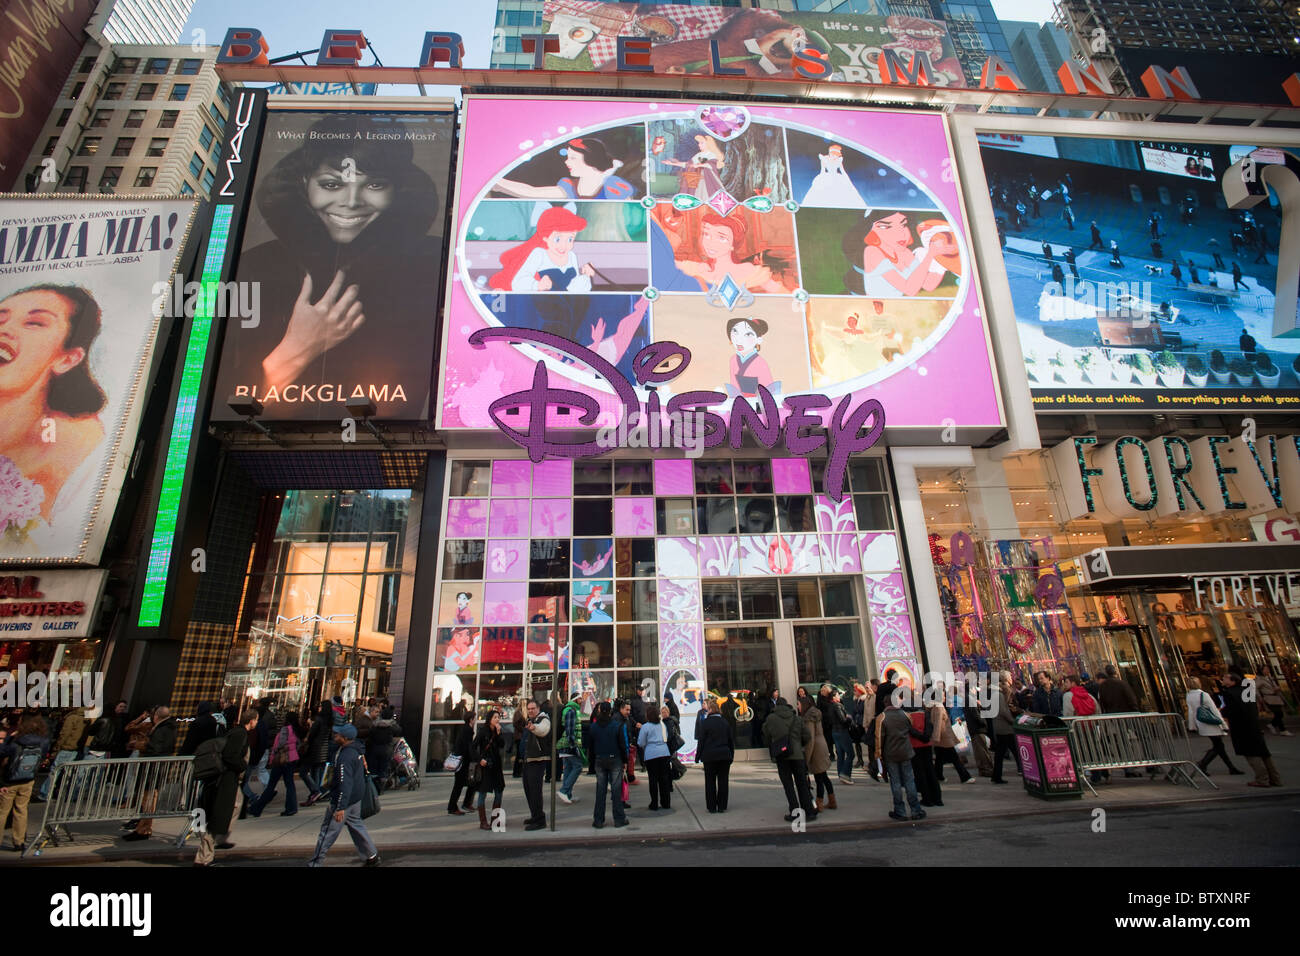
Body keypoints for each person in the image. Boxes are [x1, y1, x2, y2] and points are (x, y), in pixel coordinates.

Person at [212, 113, 443, 415]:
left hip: (396, 449)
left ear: (397, 190)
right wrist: (299, 347)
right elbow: (222, 412)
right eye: (332, 184)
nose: (351, 201)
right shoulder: (253, 268)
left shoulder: (434, 264)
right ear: (304, 183)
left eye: (374, 185)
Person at [0, 285, 109, 539]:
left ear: (67, 359)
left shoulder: (86, 453)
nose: (5, 329)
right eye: (1, 318)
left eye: (35, 323)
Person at [307, 724, 379, 867]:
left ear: (345, 738)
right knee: (356, 825)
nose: (335, 736)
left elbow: (344, 782)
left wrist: (340, 806)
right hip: (355, 797)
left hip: (344, 800)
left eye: (338, 735)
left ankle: (315, 863)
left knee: (328, 832)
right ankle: (371, 855)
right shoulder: (355, 751)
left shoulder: (345, 756)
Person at [194, 710, 258, 866]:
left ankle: (221, 838)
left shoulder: (235, 732)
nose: (257, 722)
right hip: (226, 782)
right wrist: (243, 766)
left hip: (229, 781)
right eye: (256, 720)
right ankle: (204, 858)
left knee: (236, 805)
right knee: (218, 818)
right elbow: (230, 756)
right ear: (251, 721)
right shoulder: (240, 734)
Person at [488, 207, 595, 293]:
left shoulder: (571, 256)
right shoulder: (539, 254)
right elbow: (517, 283)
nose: (564, 245)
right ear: (546, 238)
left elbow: (573, 288)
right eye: (558, 239)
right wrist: (537, 285)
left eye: (570, 239)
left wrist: (586, 276)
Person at [495, 136, 636, 200]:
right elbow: (530, 192)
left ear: (591, 159)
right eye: (568, 157)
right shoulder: (569, 188)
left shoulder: (615, 187)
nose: (567, 162)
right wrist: (497, 183)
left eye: (573, 158)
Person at [859, 210, 955, 297]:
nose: (901, 233)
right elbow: (910, 290)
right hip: (876, 309)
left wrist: (940, 260)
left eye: (903, 225)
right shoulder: (872, 252)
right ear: (872, 231)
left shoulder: (905, 253)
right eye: (885, 227)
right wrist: (930, 255)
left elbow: (928, 285)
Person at [122, 705, 177, 841]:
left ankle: (144, 829)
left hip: (153, 769)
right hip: (155, 768)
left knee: (149, 798)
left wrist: (139, 745)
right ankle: (142, 827)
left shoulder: (162, 729)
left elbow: (155, 748)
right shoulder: (169, 728)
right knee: (148, 798)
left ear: (156, 717)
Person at [1221, 671, 1282, 787]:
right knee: (1263, 752)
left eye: (1225, 678)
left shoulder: (1230, 693)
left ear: (1232, 681)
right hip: (1253, 724)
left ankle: (1262, 779)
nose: (1223, 680)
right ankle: (1275, 778)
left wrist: (1223, 712)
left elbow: (1232, 709)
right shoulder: (1247, 691)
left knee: (1251, 753)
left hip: (1241, 726)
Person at [0, 715, 50, 853]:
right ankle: (19, 842)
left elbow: (2, 751)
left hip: (10, 781)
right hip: (28, 780)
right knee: (21, 810)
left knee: (3, 812)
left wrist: (9, 738)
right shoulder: (43, 742)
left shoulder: (17, 742)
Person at [762, 696, 816, 822]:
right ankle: (809, 811)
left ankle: (795, 811)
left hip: (782, 755)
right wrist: (798, 744)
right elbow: (807, 736)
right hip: (797, 755)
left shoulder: (771, 718)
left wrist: (774, 742)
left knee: (788, 785)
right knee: (802, 783)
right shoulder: (797, 718)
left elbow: (766, 734)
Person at [877, 694, 924, 821]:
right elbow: (910, 728)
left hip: (891, 753)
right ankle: (915, 809)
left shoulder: (882, 718)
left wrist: (878, 756)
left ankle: (900, 810)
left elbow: (879, 739)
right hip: (906, 751)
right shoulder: (905, 715)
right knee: (909, 780)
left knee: (896, 782)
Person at [249, 712, 303, 817]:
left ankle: (257, 808)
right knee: (289, 784)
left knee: (271, 785)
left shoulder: (285, 729)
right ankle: (291, 807)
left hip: (282, 759)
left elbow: (280, 744)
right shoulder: (296, 729)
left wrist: (273, 754)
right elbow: (298, 743)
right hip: (292, 759)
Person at [1185, 677, 1242, 776]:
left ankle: (1231, 767)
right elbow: (1214, 710)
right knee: (1218, 746)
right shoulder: (1204, 694)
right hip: (1211, 722)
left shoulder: (1189, 695)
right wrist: (1223, 724)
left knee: (1219, 746)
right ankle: (1203, 764)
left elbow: (1191, 711)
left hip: (1201, 722)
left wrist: (1192, 725)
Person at [588, 701, 629, 829]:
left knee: (601, 790)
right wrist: (625, 761)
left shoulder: (594, 726)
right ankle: (619, 818)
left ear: (600, 710)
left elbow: (590, 745)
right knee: (616, 790)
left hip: (600, 759)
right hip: (614, 758)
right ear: (610, 711)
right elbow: (622, 745)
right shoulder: (616, 726)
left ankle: (598, 819)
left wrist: (592, 761)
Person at [35, 706, 87, 802]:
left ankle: (45, 794)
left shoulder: (73, 717)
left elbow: (64, 734)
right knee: (69, 774)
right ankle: (62, 794)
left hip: (67, 748)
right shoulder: (88, 718)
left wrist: (56, 749)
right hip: (79, 750)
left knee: (55, 772)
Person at [694, 698, 734, 813]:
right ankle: (722, 805)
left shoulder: (705, 723)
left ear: (710, 710)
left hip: (709, 756)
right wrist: (731, 755)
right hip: (724, 755)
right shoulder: (725, 722)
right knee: (723, 781)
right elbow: (730, 740)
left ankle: (711, 806)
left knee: (710, 781)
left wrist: (698, 756)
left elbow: (701, 741)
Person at [801, 144, 867, 208]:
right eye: (834, 154)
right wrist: (821, 180)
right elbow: (822, 171)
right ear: (830, 153)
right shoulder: (824, 159)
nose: (835, 156)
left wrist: (847, 180)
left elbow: (843, 171)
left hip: (838, 178)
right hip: (827, 177)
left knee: (844, 193)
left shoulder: (838, 160)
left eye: (837, 155)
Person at [930, 684, 971, 784]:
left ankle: (938, 776)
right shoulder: (939, 708)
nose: (944, 697)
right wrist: (936, 737)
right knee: (955, 758)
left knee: (939, 759)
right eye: (943, 695)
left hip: (941, 738)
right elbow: (938, 723)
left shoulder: (935, 707)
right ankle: (965, 777)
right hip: (944, 737)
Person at [520, 699, 552, 831]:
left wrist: (534, 728)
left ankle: (539, 820)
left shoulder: (543, 719)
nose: (531, 711)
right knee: (528, 789)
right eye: (529, 709)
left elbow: (543, 730)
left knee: (535, 791)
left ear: (538, 709)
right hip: (529, 760)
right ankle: (535, 815)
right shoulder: (531, 720)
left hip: (538, 760)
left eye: (533, 708)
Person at [472, 709, 506, 831]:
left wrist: (499, 733)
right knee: (483, 793)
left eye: (498, 717)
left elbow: (502, 745)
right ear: (490, 719)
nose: (497, 719)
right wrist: (479, 759)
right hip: (485, 766)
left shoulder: (497, 731)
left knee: (499, 791)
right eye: (495, 717)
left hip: (496, 766)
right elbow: (473, 747)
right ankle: (483, 821)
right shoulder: (483, 732)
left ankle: (495, 819)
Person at [801, 699, 835, 811]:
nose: (798, 706)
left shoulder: (808, 718)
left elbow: (810, 739)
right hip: (822, 745)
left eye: (799, 704)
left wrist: (806, 758)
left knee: (819, 777)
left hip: (816, 749)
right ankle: (832, 800)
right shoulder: (816, 714)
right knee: (824, 776)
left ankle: (819, 803)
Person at [638, 706, 672, 811]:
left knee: (653, 780)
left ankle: (654, 803)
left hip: (651, 754)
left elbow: (641, 742)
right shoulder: (662, 725)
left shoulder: (645, 727)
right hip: (664, 752)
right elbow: (666, 737)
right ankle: (666, 802)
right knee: (664, 779)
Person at [990, 673, 1020, 785]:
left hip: (1000, 727)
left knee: (1000, 753)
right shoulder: (999, 694)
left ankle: (996, 775)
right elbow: (1003, 711)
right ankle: (1022, 769)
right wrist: (1013, 721)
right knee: (1014, 750)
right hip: (1004, 727)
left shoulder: (997, 694)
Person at [300, 700, 331, 807]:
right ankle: (314, 795)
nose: (319, 708)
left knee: (304, 772)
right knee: (316, 772)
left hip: (315, 749)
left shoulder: (319, 720)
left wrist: (306, 740)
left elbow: (312, 734)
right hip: (323, 750)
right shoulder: (329, 720)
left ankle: (315, 791)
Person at [447, 709, 477, 815]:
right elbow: (468, 747)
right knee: (461, 785)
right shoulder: (467, 731)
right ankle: (453, 807)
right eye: (474, 718)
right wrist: (474, 758)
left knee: (467, 784)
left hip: (461, 761)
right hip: (463, 762)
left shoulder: (464, 730)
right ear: (471, 719)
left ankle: (462, 804)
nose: (475, 720)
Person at [558, 691, 585, 805]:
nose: (581, 701)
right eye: (580, 699)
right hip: (569, 744)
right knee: (578, 767)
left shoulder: (570, 709)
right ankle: (564, 790)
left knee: (568, 768)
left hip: (565, 744)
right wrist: (573, 743)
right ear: (576, 699)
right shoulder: (571, 711)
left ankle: (567, 795)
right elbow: (570, 728)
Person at [366, 706, 402, 790]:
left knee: (373, 768)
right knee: (384, 768)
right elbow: (399, 731)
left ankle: (373, 786)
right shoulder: (392, 726)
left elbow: (370, 736)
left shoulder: (375, 725)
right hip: (386, 749)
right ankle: (382, 786)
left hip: (374, 749)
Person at [1256, 668, 1290, 735]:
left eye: (1268, 669)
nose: (1268, 670)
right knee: (1278, 713)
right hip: (1269, 698)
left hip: (1276, 697)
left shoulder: (1270, 678)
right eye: (1265, 669)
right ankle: (1281, 729)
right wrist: (1260, 697)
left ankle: (1275, 726)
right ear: (1261, 671)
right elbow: (1255, 688)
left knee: (1279, 713)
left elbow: (1274, 686)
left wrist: (1277, 688)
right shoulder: (1259, 679)